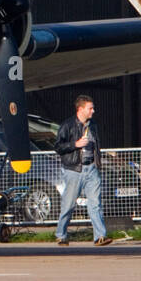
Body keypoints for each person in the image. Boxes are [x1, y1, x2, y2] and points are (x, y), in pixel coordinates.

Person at [53, 95, 112, 246]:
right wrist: (75, 144)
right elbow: (58, 147)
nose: (93, 111)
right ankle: (61, 234)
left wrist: (98, 160)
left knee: (95, 203)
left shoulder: (93, 125)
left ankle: (100, 236)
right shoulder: (67, 125)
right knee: (69, 204)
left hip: (91, 168)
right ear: (81, 109)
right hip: (74, 170)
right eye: (90, 108)